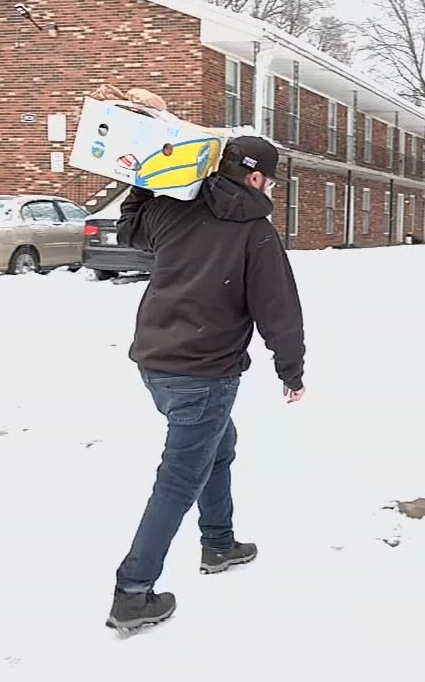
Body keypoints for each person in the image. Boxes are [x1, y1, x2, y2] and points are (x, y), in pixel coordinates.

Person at [107, 136, 306, 632]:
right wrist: (291, 370)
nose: (270, 188)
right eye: (270, 180)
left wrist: (145, 182)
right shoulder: (255, 231)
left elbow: (128, 230)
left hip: (156, 363)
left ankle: (219, 542)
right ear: (256, 178)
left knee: (219, 443)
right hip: (205, 372)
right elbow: (278, 308)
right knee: (180, 477)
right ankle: (133, 592)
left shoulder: (173, 210)